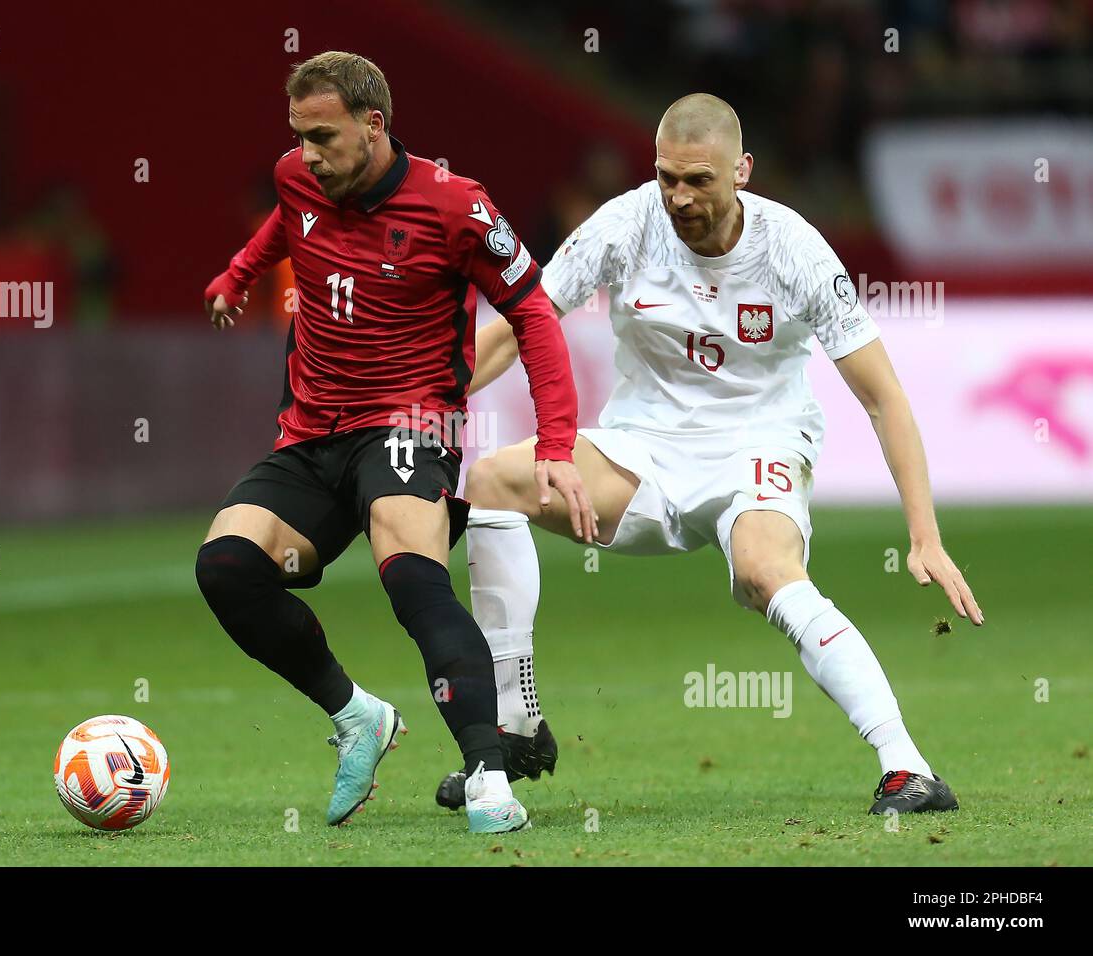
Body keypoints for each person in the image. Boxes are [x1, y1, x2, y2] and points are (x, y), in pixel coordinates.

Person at [436, 93, 982, 816]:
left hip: (760, 441)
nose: (680, 197)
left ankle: (907, 768)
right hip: (642, 448)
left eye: (700, 181)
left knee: (766, 570)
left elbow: (883, 396)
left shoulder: (794, 249)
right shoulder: (627, 224)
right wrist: (421, 401)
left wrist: (924, 534)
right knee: (493, 480)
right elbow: (519, 324)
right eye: (668, 177)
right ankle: (516, 724)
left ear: (743, 171)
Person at [196, 51, 593, 833]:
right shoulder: (298, 176)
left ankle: (487, 774)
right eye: (299, 137)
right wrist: (239, 274)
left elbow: (535, 314)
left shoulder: (456, 207)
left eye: (323, 136)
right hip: (311, 430)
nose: (307, 155)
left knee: (411, 576)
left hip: (411, 423)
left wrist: (556, 445)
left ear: (373, 124)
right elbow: (286, 218)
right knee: (228, 568)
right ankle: (355, 717)